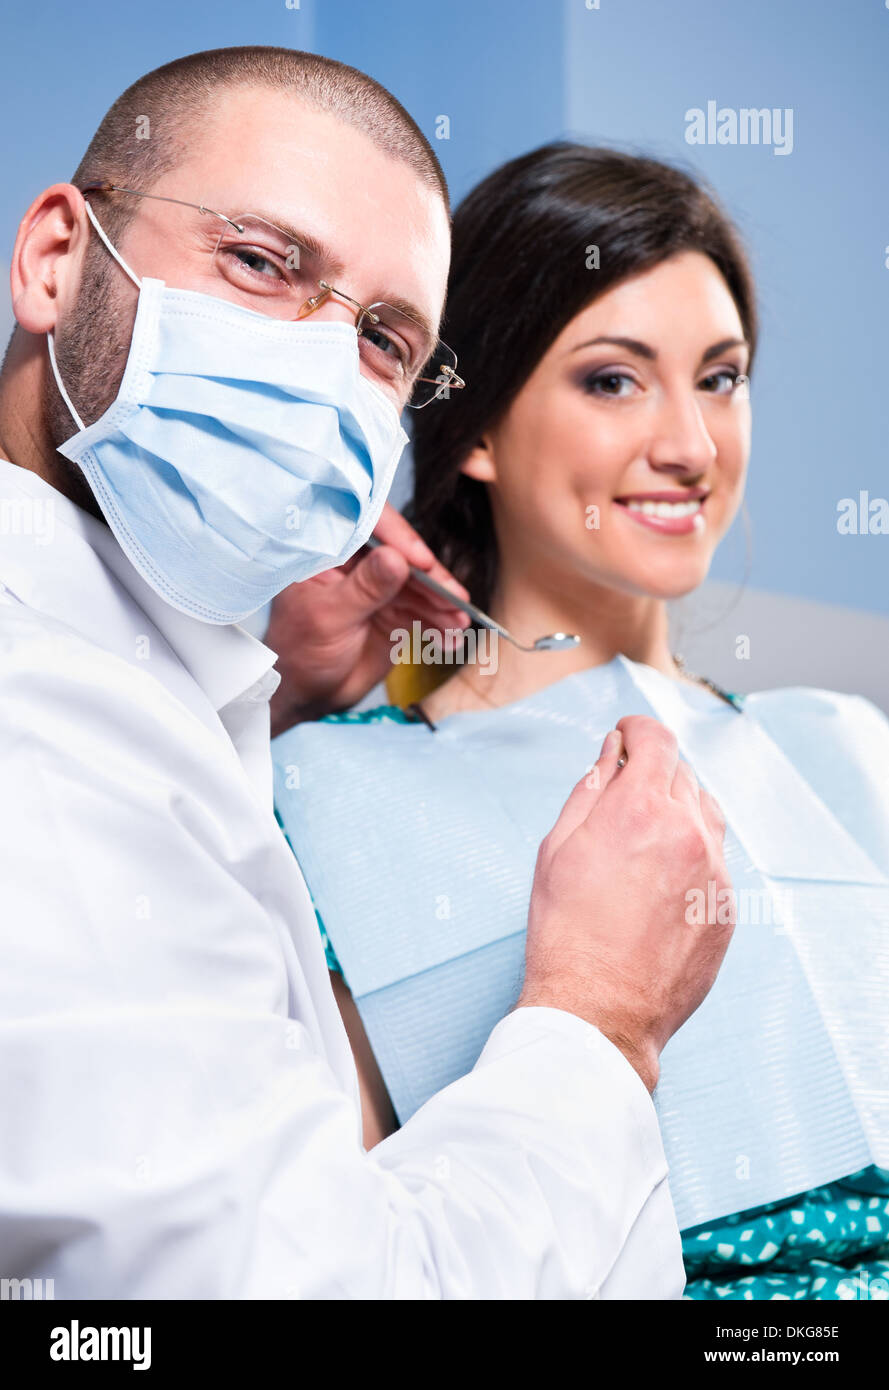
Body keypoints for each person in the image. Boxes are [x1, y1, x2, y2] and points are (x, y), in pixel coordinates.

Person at [0, 48, 734, 1299]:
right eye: (262, 263)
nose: (324, 372)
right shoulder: (59, 744)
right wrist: (598, 1018)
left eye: (387, 341)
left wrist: (265, 694)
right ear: (57, 258)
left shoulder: (182, 705)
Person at [274, 142, 889, 1300]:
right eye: (613, 378)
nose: (690, 446)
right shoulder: (317, 797)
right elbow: (348, 1248)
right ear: (475, 431)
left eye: (720, 376)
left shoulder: (848, 751)